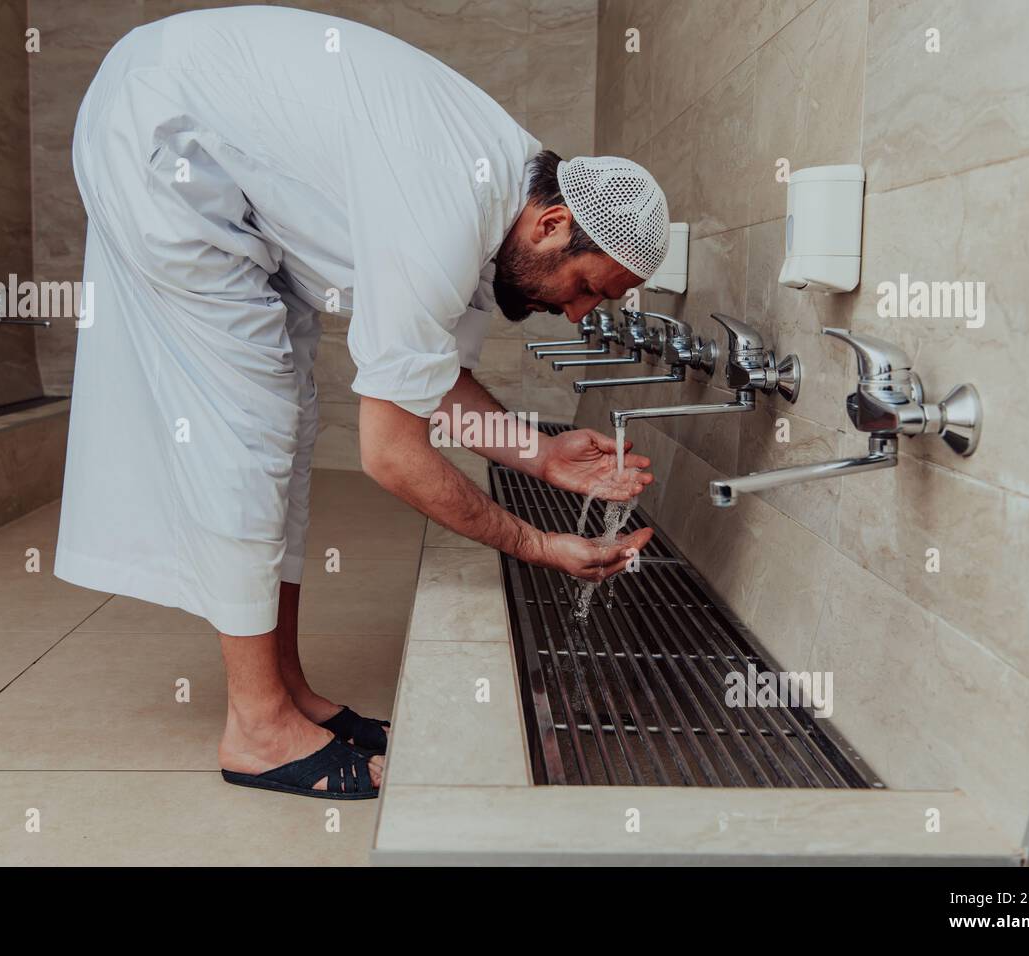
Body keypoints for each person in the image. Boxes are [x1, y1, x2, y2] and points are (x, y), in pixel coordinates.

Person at [55, 5, 666, 801]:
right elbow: (392, 453)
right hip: (160, 137)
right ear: (553, 225)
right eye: (587, 289)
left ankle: (289, 690)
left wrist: (540, 454)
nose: (582, 315)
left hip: (211, 150)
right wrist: (539, 546)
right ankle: (258, 729)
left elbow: (431, 377)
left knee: (289, 416)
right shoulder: (450, 211)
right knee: (251, 423)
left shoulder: (502, 214)